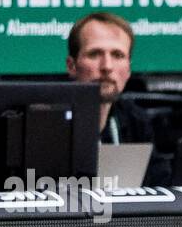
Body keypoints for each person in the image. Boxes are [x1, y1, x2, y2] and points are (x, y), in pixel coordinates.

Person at [65, 11, 153, 146]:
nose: (107, 66)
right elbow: (32, 169)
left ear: (129, 69)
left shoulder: (136, 121)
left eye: (117, 55)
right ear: (72, 66)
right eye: (94, 54)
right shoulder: (45, 123)